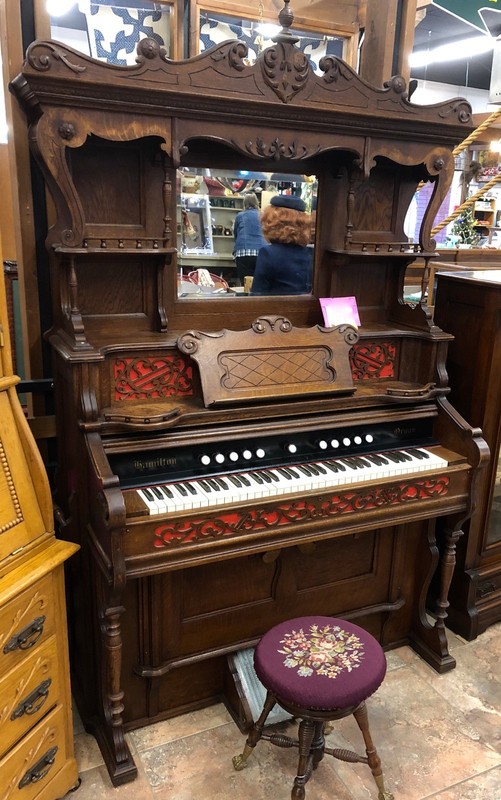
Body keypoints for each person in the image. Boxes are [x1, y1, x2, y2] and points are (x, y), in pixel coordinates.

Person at [251, 195, 313, 295]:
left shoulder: (268, 253)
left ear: (271, 223)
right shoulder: (311, 254)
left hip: (277, 309)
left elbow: (258, 296)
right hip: (308, 309)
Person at [232, 192, 267, 285]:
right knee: (259, 283)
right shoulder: (263, 216)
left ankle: (245, 298)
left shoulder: (240, 216)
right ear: (257, 203)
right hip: (261, 251)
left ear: (244, 204)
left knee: (245, 283)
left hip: (242, 252)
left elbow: (236, 234)